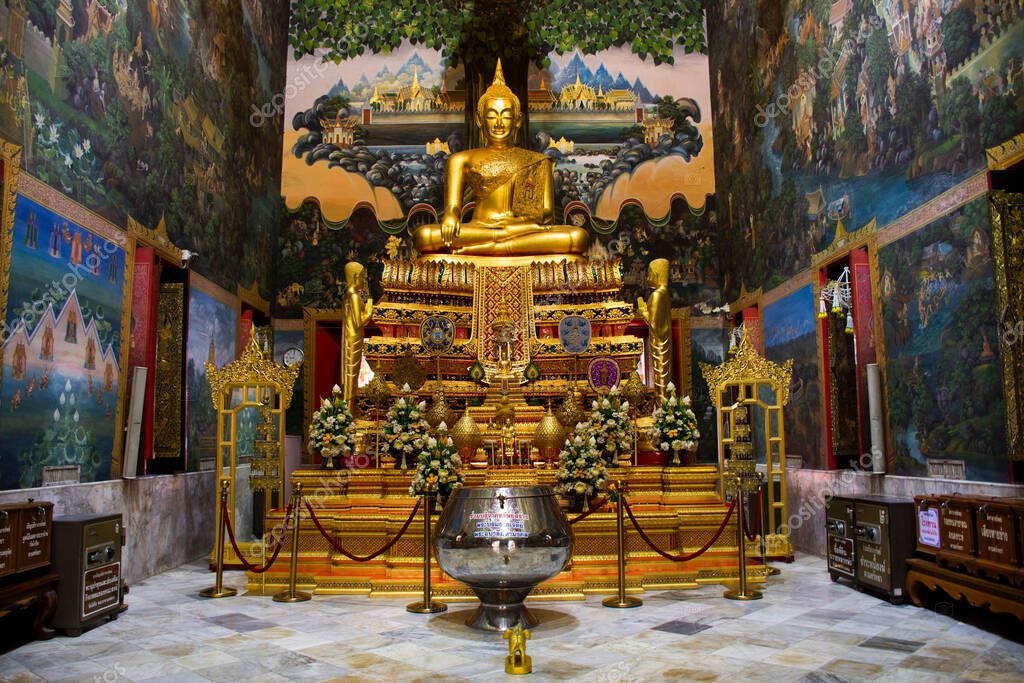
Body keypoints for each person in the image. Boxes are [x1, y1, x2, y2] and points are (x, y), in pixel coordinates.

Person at [412, 61, 590, 257]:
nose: (498, 123)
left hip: (521, 230)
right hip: (480, 229)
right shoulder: (461, 160)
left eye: (505, 116)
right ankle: (500, 243)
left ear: (517, 120)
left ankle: (489, 247)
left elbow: (546, 216)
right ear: (479, 119)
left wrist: (513, 227)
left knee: (576, 237)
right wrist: (450, 217)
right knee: (425, 235)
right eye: (491, 116)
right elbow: (453, 206)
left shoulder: (536, 161)